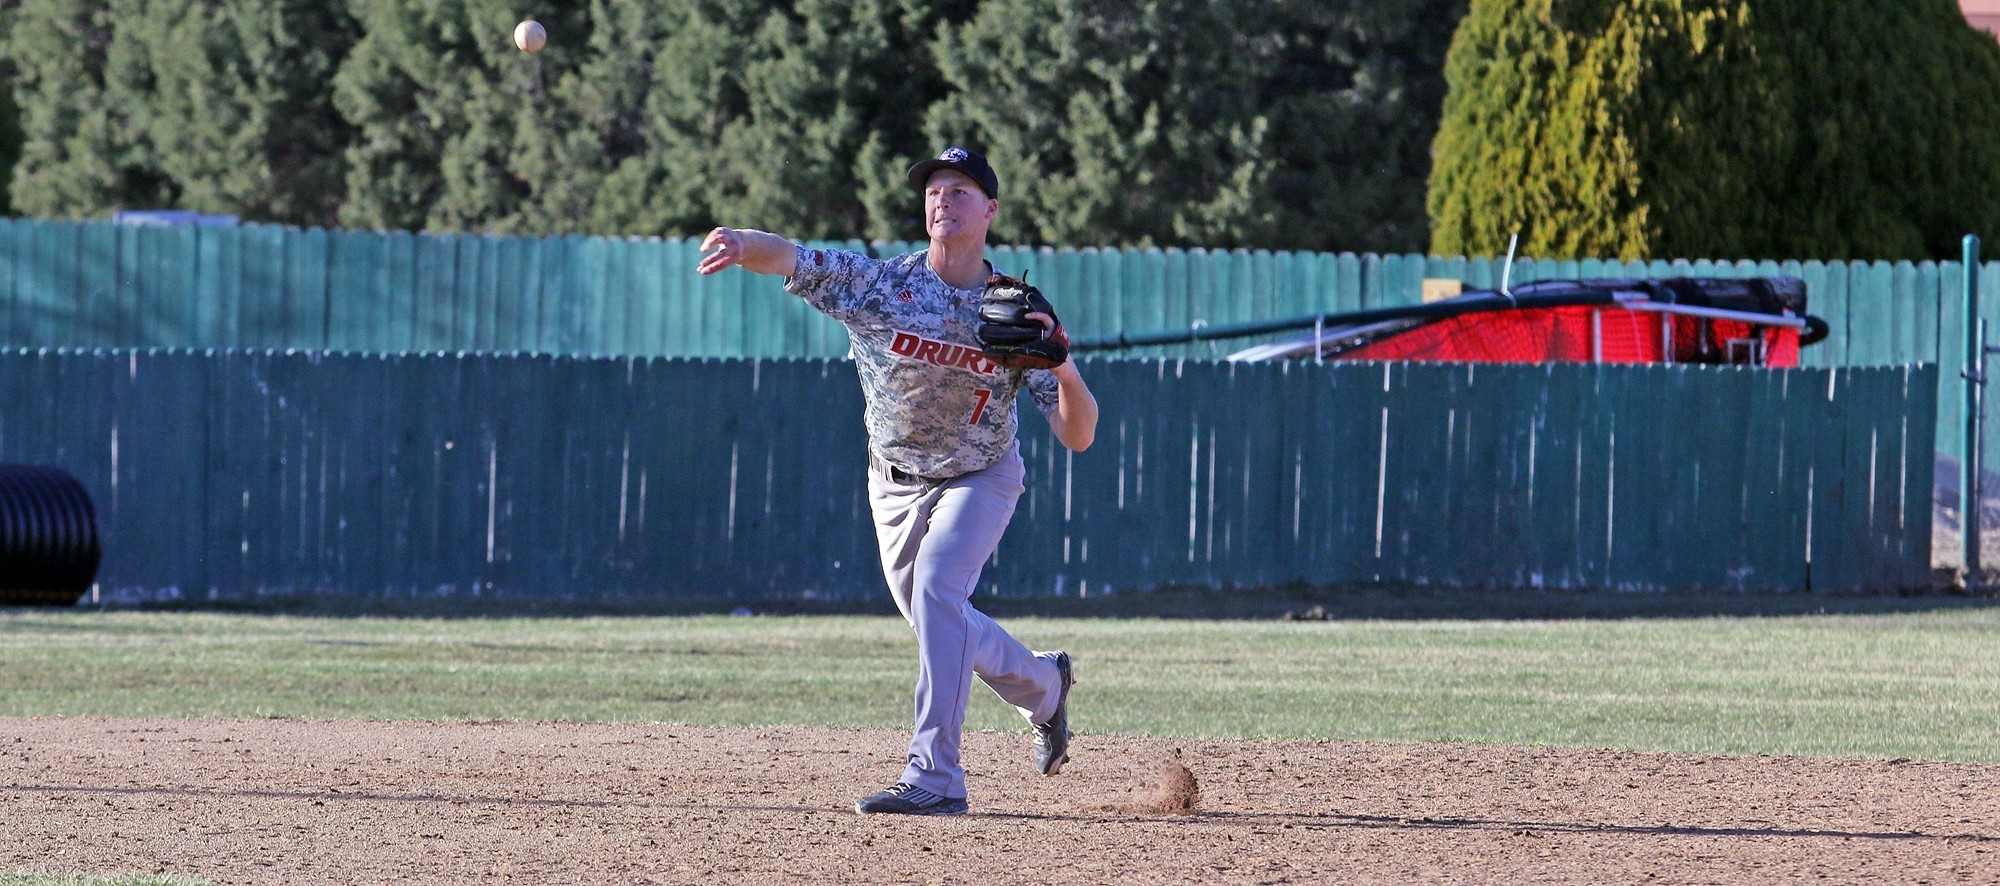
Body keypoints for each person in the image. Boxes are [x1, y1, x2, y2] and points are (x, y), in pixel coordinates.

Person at [697, 146, 1099, 816]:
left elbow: (1077, 434)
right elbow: (792, 256)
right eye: (934, 190)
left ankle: (935, 777)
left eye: (960, 189)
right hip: (894, 482)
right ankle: (1044, 686)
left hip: (980, 475)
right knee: (942, 619)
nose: (943, 199)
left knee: (939, 590)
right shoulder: (881, 285)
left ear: (990, 209)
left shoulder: (1013, 310)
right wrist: (742, 243)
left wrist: (1063, 365)